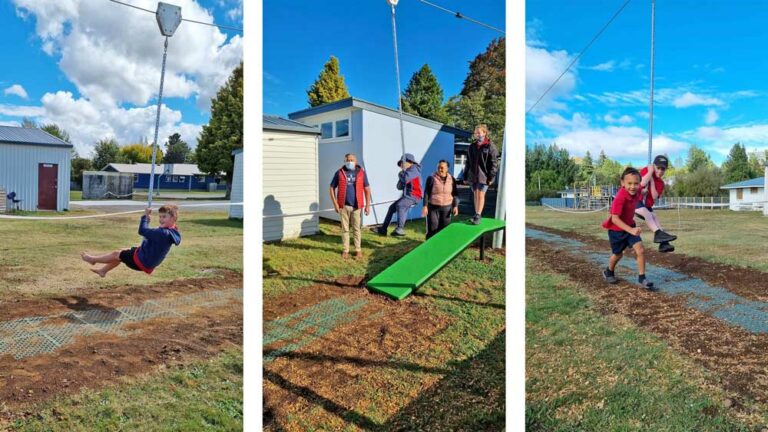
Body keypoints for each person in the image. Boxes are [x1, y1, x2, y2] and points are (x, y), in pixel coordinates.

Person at [81, 205, 181, 277]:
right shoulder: (172, 230)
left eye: (164, 217)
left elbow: (142, 231)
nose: (161, 219)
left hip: (142, 261)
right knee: (121, 251)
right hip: (144, 254)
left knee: (117, 254)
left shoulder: (163, 233)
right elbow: (152, 234)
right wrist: (147, 222)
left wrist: (145, 218)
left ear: (173, 218)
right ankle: (103, 271)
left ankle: (93, 260)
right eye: (160, 216)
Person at [601, 167, 656, 291]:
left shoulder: (637, 191)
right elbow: (614, 219)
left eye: (636, 183)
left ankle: (642, 278)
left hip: (630, 226)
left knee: (640, 250)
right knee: (618, 254)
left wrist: (643, 192)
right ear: (622, 183)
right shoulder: (620, 198)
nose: (633, 186)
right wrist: (631, 230)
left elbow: (641, 190)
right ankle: (609, 272)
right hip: (617, 231)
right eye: (629, 183)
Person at [329, 153, 372, 259]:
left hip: (357, 206)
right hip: (343, 206)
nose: (350, 162)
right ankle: (346, 250)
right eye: (348, 160)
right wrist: (335, 204)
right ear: (345, 161)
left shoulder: (361, 173)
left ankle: (358, 250)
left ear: (356, 161)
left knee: (357, 229)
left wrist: (367, 205)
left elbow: (367, 189)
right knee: (345, 229)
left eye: (352, 160)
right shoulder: (339, 173)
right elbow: (331, 188)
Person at [372, 153, 422, 237]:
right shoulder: (406, 172)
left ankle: (400, 228)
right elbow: (399, 187)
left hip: (414, 195)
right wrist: (402, 176)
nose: (401, 165)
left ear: (410, 162)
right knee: (392, 208)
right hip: (407, 195)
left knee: (400, 205)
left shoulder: (414, 169)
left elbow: (406, 178)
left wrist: (401, 174)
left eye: (402, 163)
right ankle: (383, 229)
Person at [637, 155, 677, 252]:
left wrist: (652, 181)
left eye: (663, 169)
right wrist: (650, 172)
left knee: (654, 216)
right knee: (646, 212)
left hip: (646, 205)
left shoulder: (661, 183)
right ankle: (658, 234)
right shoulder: (646, 170)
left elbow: (654, 196)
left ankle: (664, 243)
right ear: (653, 166)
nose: (660, 171)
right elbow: (641, 183)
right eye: (658, 168)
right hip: (636, 201)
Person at [463, 124, 499, 225]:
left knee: (480, 194)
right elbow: (468, 162)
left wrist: (491, 176)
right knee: (475, 194)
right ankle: (476, 214)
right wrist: (465, 176)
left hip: (484, 176)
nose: (477, 134)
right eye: (476, 133)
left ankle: (478, 215)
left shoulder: (490, 146)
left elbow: (494, 163)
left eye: (479, 132)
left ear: (484, 133)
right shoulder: (472, 146)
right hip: (473, 175)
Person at [422, 160, 459, 239]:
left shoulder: (452, 179)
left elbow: (455, 193)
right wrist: (425, 206)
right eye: (438, 168)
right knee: (432, 228)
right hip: (433, 208)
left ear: (447, 168)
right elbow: (426, 193)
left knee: (444, 229)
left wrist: (455, 206)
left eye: (442, 168)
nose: (439, 170)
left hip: (447, 208)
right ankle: (430, 246)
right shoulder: (431, 178)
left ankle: (442, 247)